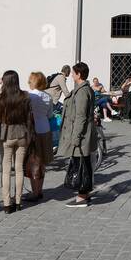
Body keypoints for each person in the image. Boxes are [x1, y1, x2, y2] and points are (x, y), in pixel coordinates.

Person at [0, 70, 32, 214]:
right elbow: (29, 117)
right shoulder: (25, 96)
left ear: (4, 81)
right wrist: (29, 133)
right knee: (19, 168)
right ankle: (19, 201)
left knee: (6, 169)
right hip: (22, 133)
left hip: (5, 134)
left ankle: (7, 204)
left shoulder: (0, 97)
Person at [57, 62, 96, 207]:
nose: (71, 75)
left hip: (82, 135)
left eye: (73, 73)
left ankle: (81, 197)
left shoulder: (82, 92)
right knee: (84, 164)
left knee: (81, 165)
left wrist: (76, 137)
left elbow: (80, 116)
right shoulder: (83, 89)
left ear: (79, 74)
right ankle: (84, 194)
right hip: (84, 134)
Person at [25, 72, 54, 201]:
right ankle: (40, 190)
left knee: (33, 162)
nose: (28, 82)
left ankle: (34, 192)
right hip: (46, 129)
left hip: (34, 130)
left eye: (30, 80)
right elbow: (50, 115)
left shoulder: (30, 96)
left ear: (34, 82)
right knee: (42, 162)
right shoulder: (48, 96)